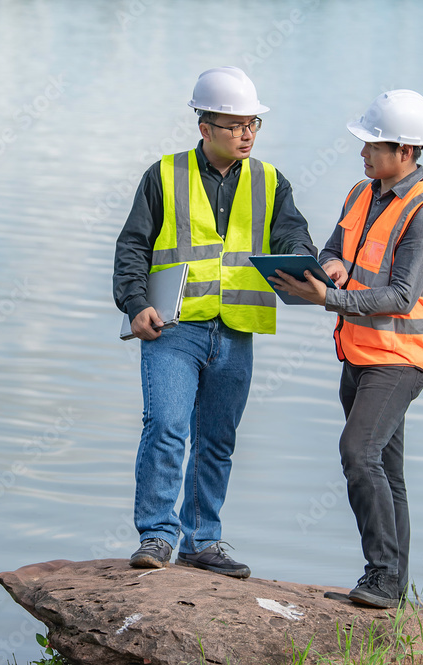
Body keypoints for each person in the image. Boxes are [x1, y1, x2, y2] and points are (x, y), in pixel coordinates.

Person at [113, 66, 317, 577]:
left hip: (235, 332)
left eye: (253, 124)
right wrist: (135, 304)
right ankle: (158, 535)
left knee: (218, 439)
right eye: (234, 125)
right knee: (165, 426)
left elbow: (293, 237)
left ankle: (202, 540)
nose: (246, 134)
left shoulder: (272, 181)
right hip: (173, 328)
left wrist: (305, 262)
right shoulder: (163, 174)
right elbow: (133, 246)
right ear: (205, 128)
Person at [269, 90, 423, 607]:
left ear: (407, 151)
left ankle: (380, 575)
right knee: (385, 469)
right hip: (358, 353)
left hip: (398, 361)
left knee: (358, 452)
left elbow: (401, 295)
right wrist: (328, 267)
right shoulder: (361, 192)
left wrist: (328, 296)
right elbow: (333, 248)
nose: (363, 153)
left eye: (374, 145)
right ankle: (392, 585)